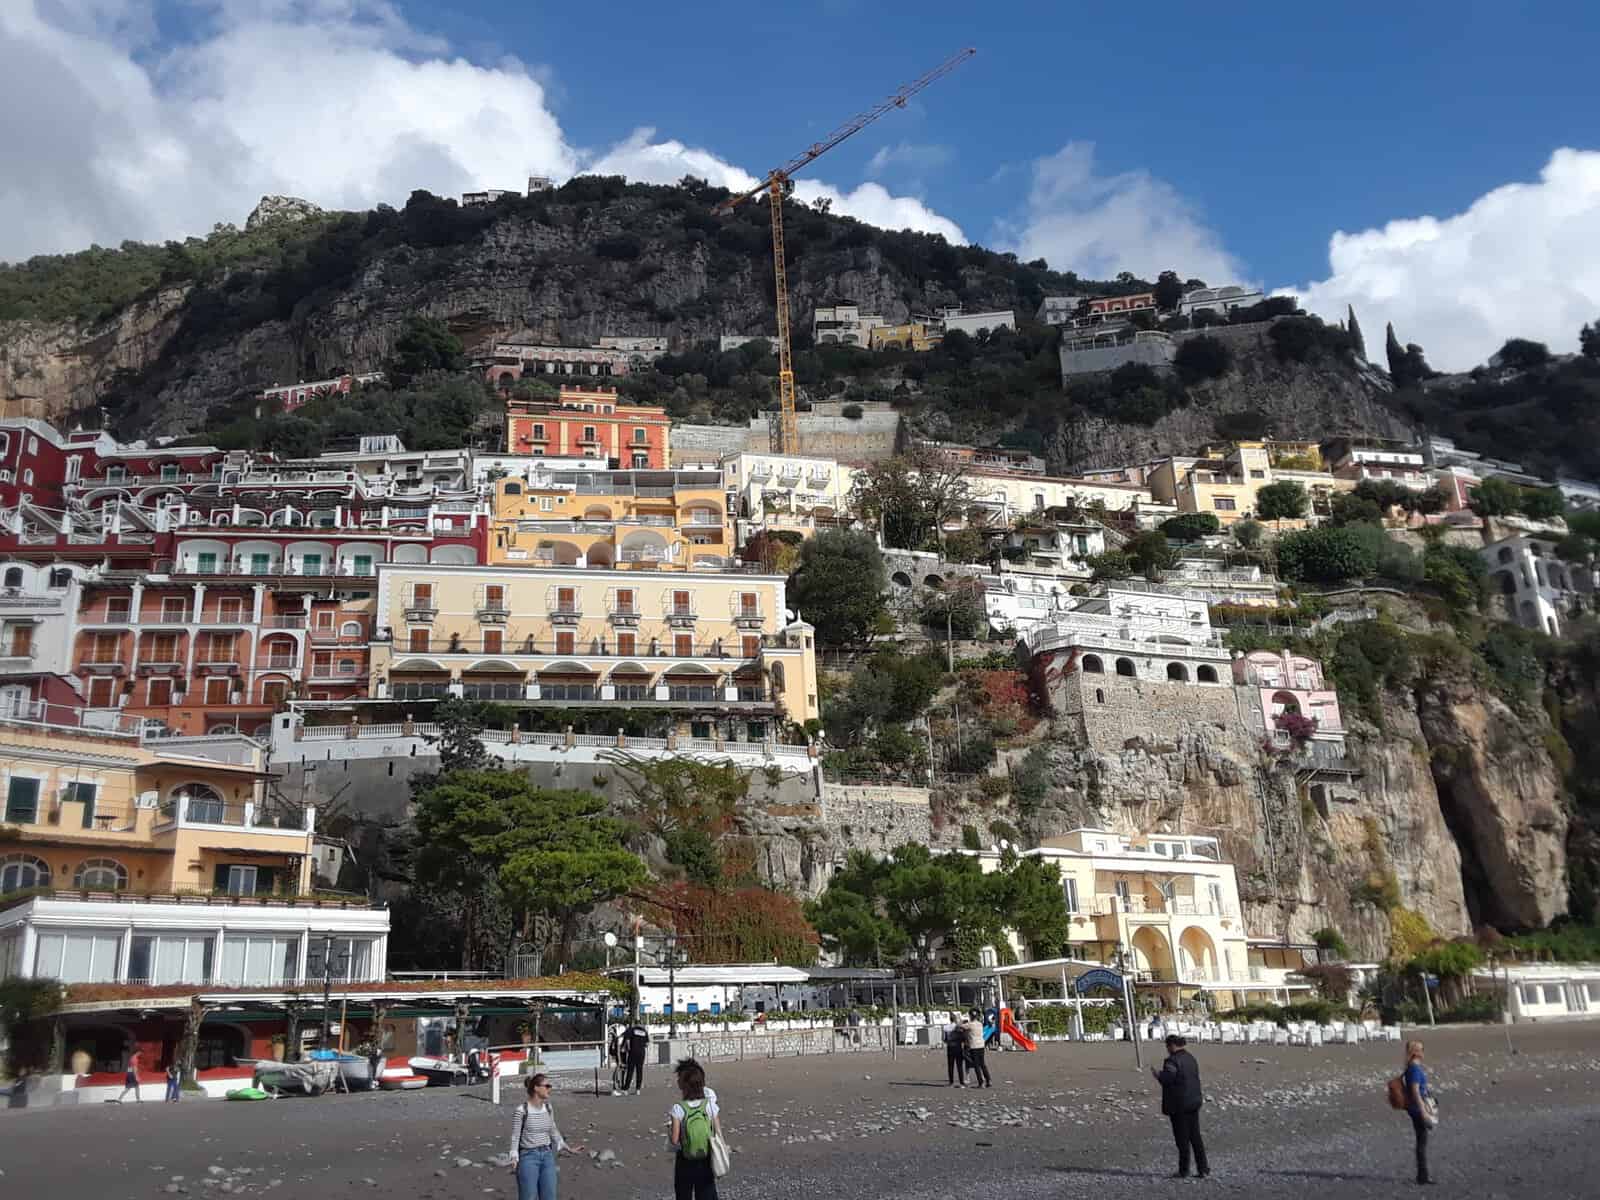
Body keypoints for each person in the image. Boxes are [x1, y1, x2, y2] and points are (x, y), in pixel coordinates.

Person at [509, 1073, 584, 1200]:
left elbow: (553, 1130)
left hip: (547, 1156)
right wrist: (514, 1157)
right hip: (528, 1156)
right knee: (528, 1196)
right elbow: (515, 1136)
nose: (550, 1089)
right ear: (536, 1088)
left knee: (549, 1196)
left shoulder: (548, 1108)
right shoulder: (522, 1110)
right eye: (547, 1086)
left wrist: (568, 1148)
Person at [1153, 1034, 1208, 1179]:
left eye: (1167, 1046)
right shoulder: (1191, 1058)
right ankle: (1203, 1168)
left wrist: (1158, 1075)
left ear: (1172, 1046)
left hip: (1179, 1104)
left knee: (1182, 1139)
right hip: (1194, 1101)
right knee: (1195, 1137)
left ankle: (1184, 1170)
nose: (1167, 1049)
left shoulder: (1172, 1061)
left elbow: (1168, 1079)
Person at [669, 1058, 723, 1200]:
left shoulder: (678, 1108)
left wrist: (670, 1130)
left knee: (683, 1192)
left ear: (684, 1085)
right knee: (706, 1191)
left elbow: (674, 1140)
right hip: (705, 1155)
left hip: (685, 1157)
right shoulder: (709, 1106)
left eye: (679, 1078)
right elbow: (717, 1132)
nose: (677, 1081)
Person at [1403, 1040, 1437, 1185]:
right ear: (1416, 1052)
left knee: (1421, 1140)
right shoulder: (1415, 1069)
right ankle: (1422, 1176)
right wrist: (1423, 1111)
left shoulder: (1411, 1068)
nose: (1424, 1052)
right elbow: (1415, 1091)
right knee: (1422, 1141)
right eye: (1422, 1049)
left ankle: (1422, 1175)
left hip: (1415, 1107)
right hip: (1417, 1108)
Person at [962, 1009, 992, 1089]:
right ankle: (988, 1079)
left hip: (974, 1046)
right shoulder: (980, 1024)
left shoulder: (970, 1024)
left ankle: (981, 1082)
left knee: (976, 1065)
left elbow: (960, 1026)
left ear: (971, 1016)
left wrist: (959, 1019)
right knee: (982, 1064)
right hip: (981, 1045)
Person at [621, 1020, 650, 1095]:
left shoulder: (631, 1030)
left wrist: (628, 1049)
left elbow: (627, 1041)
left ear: (634, 1024)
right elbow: (647, 1044)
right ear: (641, 1024)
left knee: (630, 1071)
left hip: (633, 1052)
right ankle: (638, 1089)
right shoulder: (644, 1031)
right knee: (639, 1071)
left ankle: (626, 1089)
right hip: (642, 1053)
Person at [943, 1015, 967, 1087]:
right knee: (959, 1065)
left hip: (950, 1047)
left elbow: (944, 1039)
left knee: (950, 1065)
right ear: (955, 1019)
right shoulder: (959, 1027)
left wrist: (948, 1041)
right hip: (958, 1047)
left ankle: (951, 1082)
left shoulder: (945, 1027)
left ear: (950, 1019)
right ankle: (961, 1082)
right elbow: (963, 1038)